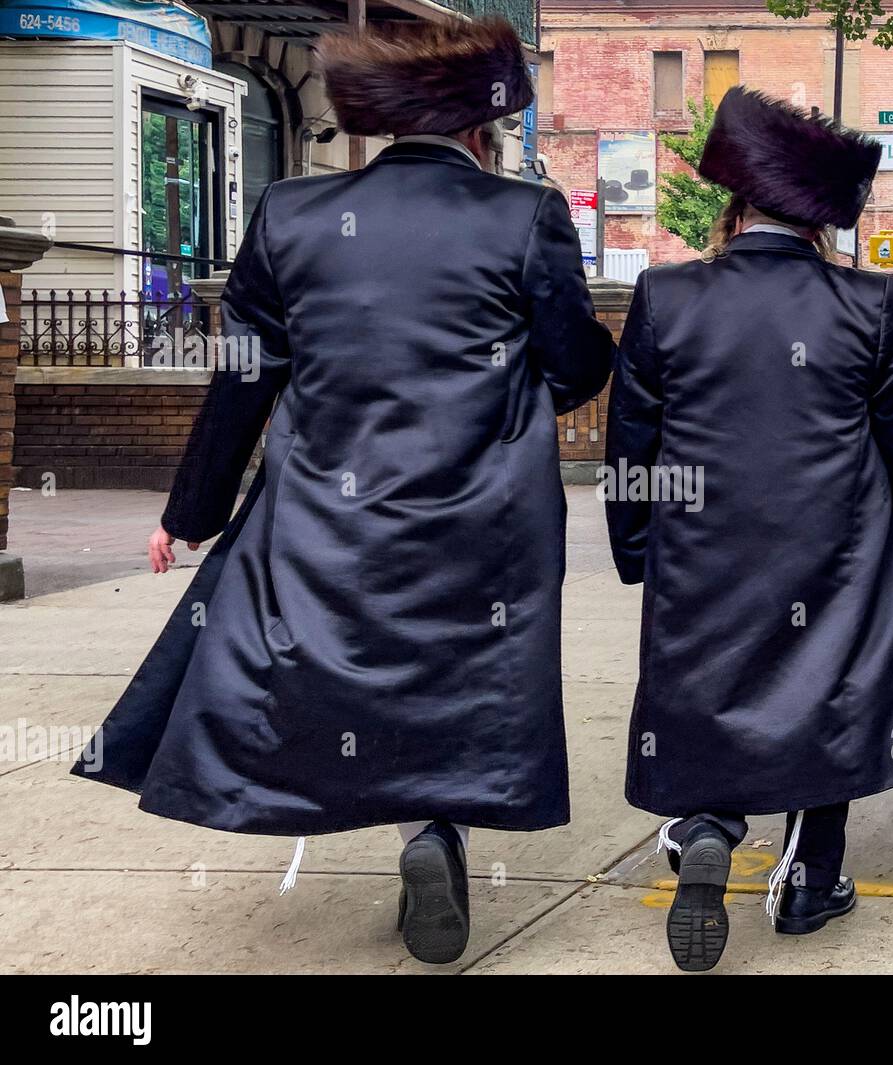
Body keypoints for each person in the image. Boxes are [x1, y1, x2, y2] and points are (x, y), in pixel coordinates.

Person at [70, 19, 614, 965]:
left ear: (377, 128)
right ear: (479, 134)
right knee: (459, 677)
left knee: (337, 666)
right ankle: (437, 830)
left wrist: (188, 513)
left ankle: (401, 827)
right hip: (485, 515)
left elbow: (242, 379)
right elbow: (574, 365)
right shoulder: (526, 216)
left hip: (330, 506)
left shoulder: (290, 213)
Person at [603, 88, 893, 972]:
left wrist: (636, 546)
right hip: (835, 549)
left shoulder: (664, 294)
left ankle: (709, 826)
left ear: (736, 205)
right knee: (827, 697)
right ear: (819, 224)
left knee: (708, 691)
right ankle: (808, 883)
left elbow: (631, 436)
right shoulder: (867, 305)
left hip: (701, 546)